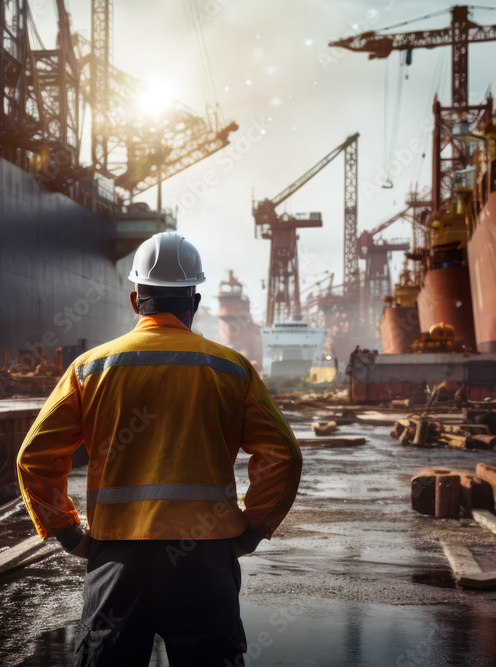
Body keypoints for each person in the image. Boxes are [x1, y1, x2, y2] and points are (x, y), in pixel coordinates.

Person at [16, 232, 302, 666]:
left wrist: (67, 531)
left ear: (136, 300)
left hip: (117, 557)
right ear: (195, 302)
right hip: (205, 556)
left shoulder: (90, 369)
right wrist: (252, 529)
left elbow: (34, 457)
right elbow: (284, 455)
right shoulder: (231, 368)